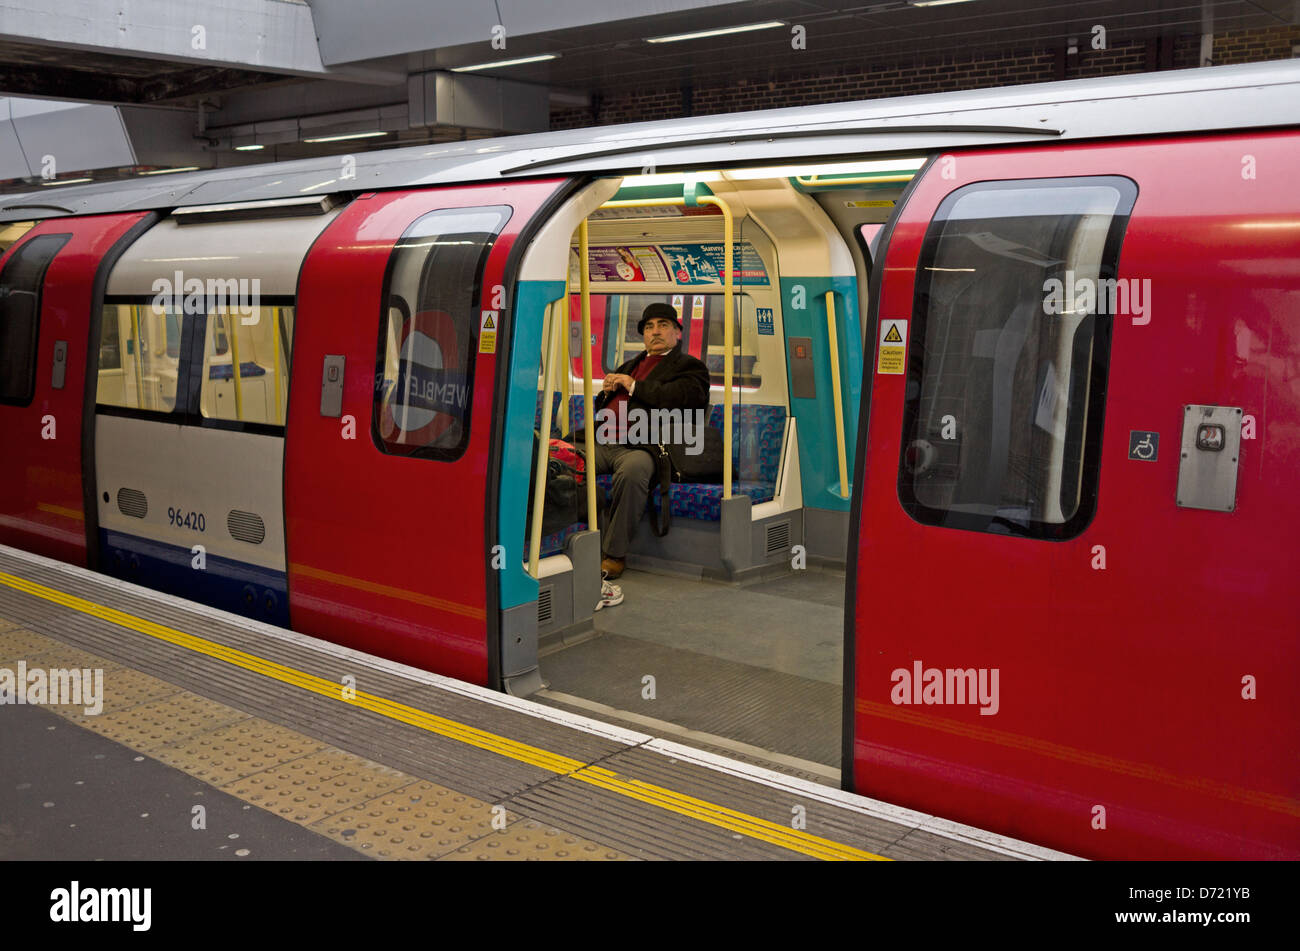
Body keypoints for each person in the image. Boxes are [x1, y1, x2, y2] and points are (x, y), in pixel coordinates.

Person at [591, 302, 709, 578]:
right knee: (558, 461)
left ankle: (614, 554)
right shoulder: (631, 364)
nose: (655, 332)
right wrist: (606, 392)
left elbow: (684, 397)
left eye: (663, 325)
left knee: (633, 472)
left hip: (644, 445)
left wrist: (633, 386)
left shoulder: (690, 367)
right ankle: (566, 538)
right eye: (649, 327)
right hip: (602, 440)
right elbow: (605, 405)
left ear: (677, 333)